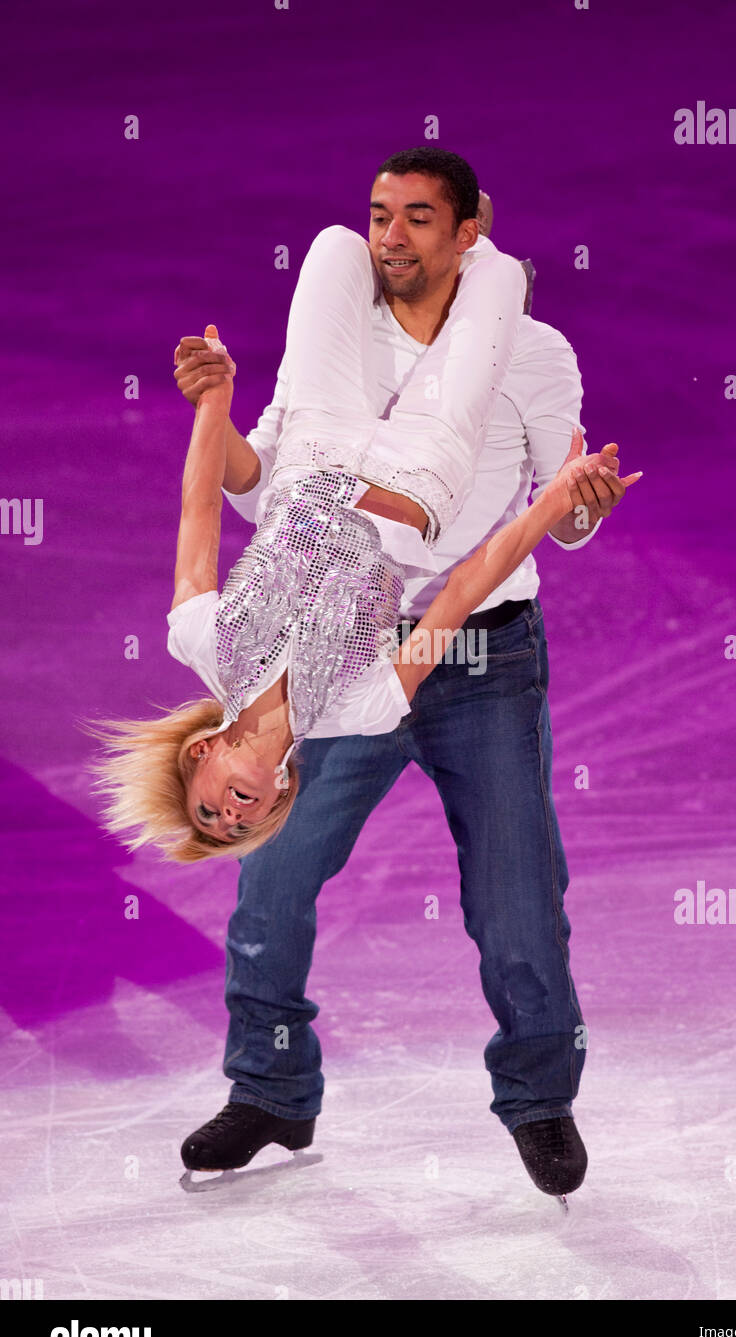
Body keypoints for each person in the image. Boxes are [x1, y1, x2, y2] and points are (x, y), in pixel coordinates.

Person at [171, 149, 641, 1202]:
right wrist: (216, 407)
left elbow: (556, 508)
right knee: (272, 880)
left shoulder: (533, 354)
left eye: (417, 218)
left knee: (518, 898)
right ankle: (272, 1086)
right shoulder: (334, 336)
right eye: (378, 216)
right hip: (341, 663)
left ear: (469, 230)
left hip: (482, 656)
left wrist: (575, 507)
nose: (390, 238)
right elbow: (260, 487)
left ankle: (537, 1097)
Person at [90, 222, 607, 863]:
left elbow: (199, 513)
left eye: (208, 810)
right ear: (279, 795)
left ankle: (431, 254)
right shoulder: (363, 709)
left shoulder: (200, 643)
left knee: (335, 245)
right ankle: (462, 262)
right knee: (497, 278)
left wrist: (213, 401)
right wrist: (548, 504)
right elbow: (467, 586)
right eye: (238, 827)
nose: (228, 814)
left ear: (202, 753)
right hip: (425, 472)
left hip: (317, 450)